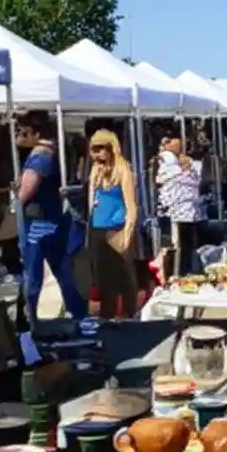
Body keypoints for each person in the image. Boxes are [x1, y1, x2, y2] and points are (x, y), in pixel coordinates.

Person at [16, 111, 87, 326]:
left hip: (38, 223)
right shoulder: (56, 151)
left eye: (21, 131)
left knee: (33, 273)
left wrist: (15, 193)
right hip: (54, 219)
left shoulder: (39, 157)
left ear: (34, 132)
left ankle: (29, 321)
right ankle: (80, 315)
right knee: (62, 271)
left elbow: (24, 193)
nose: (17, 135)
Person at [87, 130, 139, 318]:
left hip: (117, 227)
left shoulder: (123, 170)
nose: (98, 154)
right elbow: (91, 199)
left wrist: (128, 232)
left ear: (112, 148)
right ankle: (107, 318)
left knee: (123, 275)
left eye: (102, 149)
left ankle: (130, 314)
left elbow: (131, 205)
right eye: (94, 149)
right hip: (97, 227)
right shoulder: (95, 169)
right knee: (102, 279)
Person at [156, 131, 203, 277]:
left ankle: (183, 274)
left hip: (184, 212)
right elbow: (162, 178)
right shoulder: (168, 159)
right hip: (176, 212)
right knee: (177, 247)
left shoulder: (190, 164)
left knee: (184, 247)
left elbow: (195, 182)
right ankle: (176, 275)